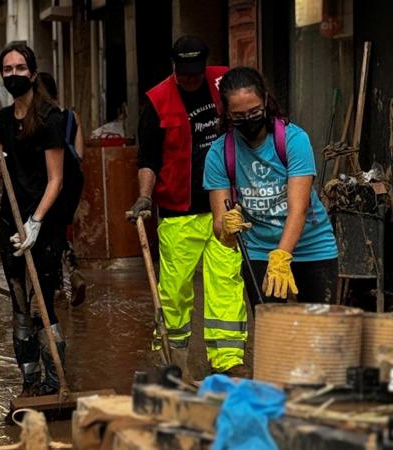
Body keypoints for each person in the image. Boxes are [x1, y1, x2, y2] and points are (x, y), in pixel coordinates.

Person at [127, 36, 247, 376]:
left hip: (225, 207)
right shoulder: (157, 101)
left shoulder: (224, 82)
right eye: (184, 73)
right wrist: (145, 196)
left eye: (196, 72)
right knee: (174, 291)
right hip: (179, 212)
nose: (191, 79)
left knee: (226, 283)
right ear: (174, 67)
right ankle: (172, 364)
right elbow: (148, 158)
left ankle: (228, 365)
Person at [206, 67, 338, 306]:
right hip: (259, 251)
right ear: (226, 113)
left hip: (312, 247)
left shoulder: (294, 140)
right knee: (270, 326)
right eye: (239, 115)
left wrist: (282, 256)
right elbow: (218, 221)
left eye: (254, 111)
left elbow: (299, 209)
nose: (248, 119)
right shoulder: (219, 154)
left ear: (265, 100)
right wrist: (225, 228)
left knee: (320, 326)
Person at [0, 42, 67, 396]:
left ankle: (54, 381)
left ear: (32, 73)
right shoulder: (2, 119)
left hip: (43, 220)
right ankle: (29, 381)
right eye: (8, 69)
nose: (13, 75)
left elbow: (56, 179)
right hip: (10, 219)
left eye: (19, 68)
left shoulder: (49, 117)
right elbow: (8, 161)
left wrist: (36, 221)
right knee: (18, 301)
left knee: (42, 300)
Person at [36, 72, 87, 307]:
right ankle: (73, 272)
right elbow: (80, 153)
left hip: (50, 178)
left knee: (49, 231)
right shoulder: (71, 116)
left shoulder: (39, 118)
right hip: (73, 178)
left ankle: (57, 288)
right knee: (60, 227)